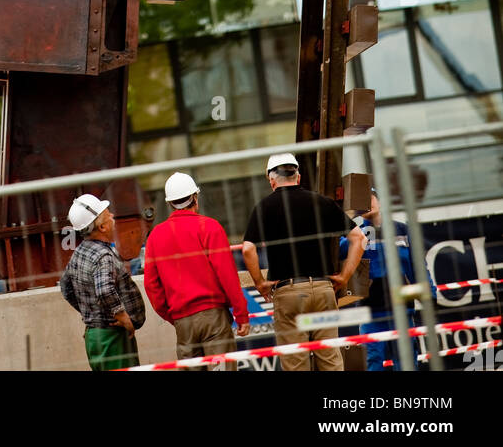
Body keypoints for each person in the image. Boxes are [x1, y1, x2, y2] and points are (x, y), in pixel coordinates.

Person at [242, 152, 365, 372]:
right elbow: (359, 238)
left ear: (272, 180)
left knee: (295, 363)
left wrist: (260, 283)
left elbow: (248, 249)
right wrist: (344, 276)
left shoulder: (264, 208)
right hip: (322, 289)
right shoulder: (322, 202)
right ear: (298, 177)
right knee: (330, 360)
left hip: (288, 293)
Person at [143, 172, 250, 369]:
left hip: (183, 322)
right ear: (195, 198)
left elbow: (151, 285)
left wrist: (172, 316)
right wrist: (241, 313)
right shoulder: (209, 227)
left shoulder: (155, 236)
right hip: (214, 318)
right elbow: (227, 275)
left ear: (170, 203)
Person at [340, 187, 434, 371]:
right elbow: (334, 253)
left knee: (406, 361)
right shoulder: (357, 234)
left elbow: (418, 266)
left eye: (371, 197)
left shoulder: (402, 230)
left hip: (402, 309)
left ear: (381, 202)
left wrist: (430, 294)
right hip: (370, 312)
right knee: (372, 361)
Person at [59, 194, 146, 371]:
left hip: (96, 336)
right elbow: (105, 291)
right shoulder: (103, 256)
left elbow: (65, 287)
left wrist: (91, 316)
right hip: (112, 337)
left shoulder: (79, 252)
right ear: (103, 226)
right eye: (108, 214)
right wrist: (124, 318)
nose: (113, 216)